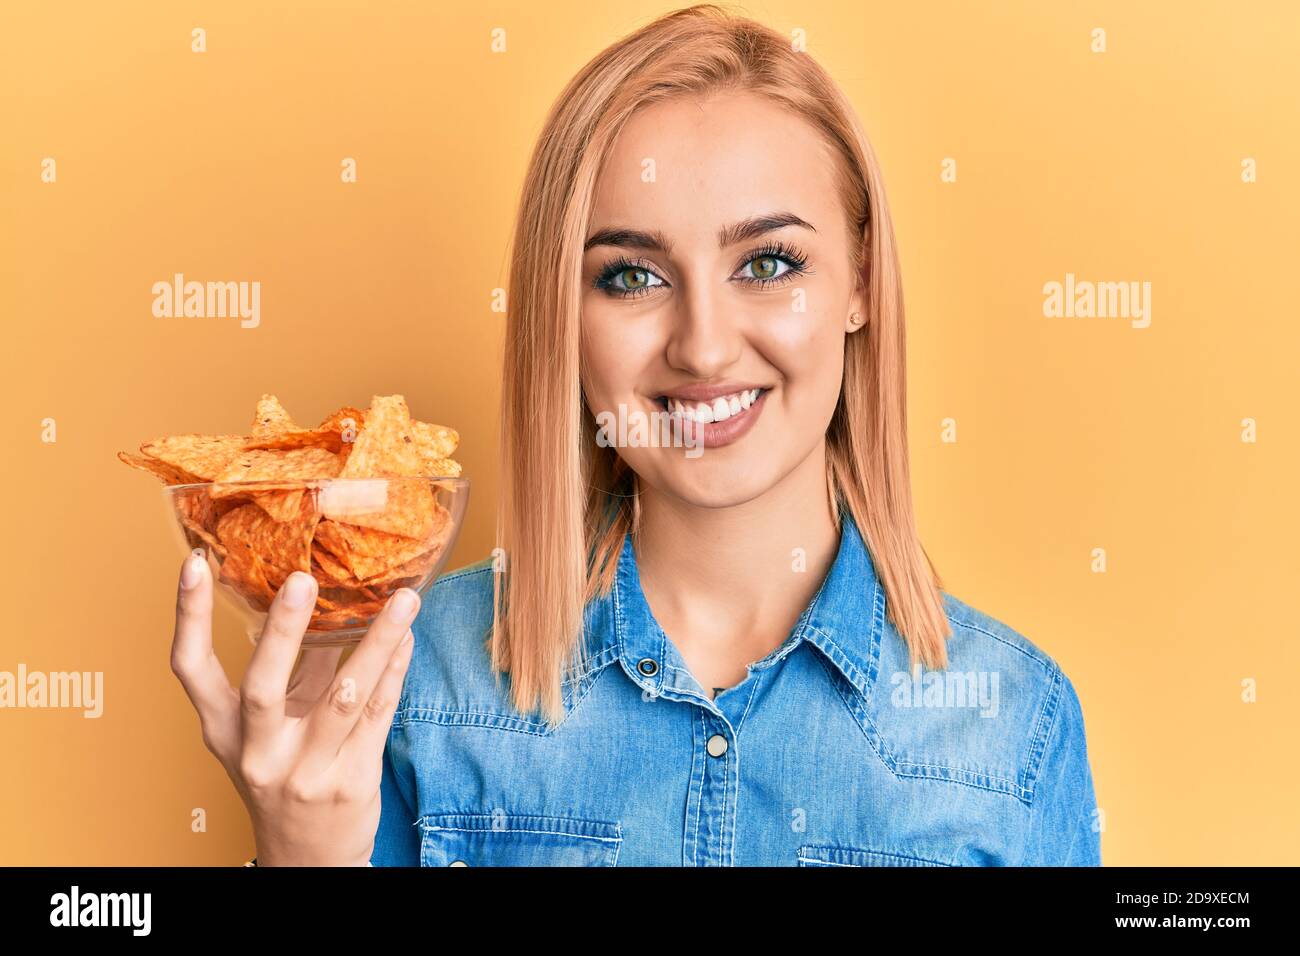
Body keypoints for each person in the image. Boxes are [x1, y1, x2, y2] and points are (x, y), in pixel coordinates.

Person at [170, 4, 1101, 867]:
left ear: (860, 283)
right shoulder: (408, 686)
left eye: (768, 263)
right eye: (631, 276)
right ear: (561, 316)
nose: (702, 345)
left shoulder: (1011, 728)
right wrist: (301, 852)